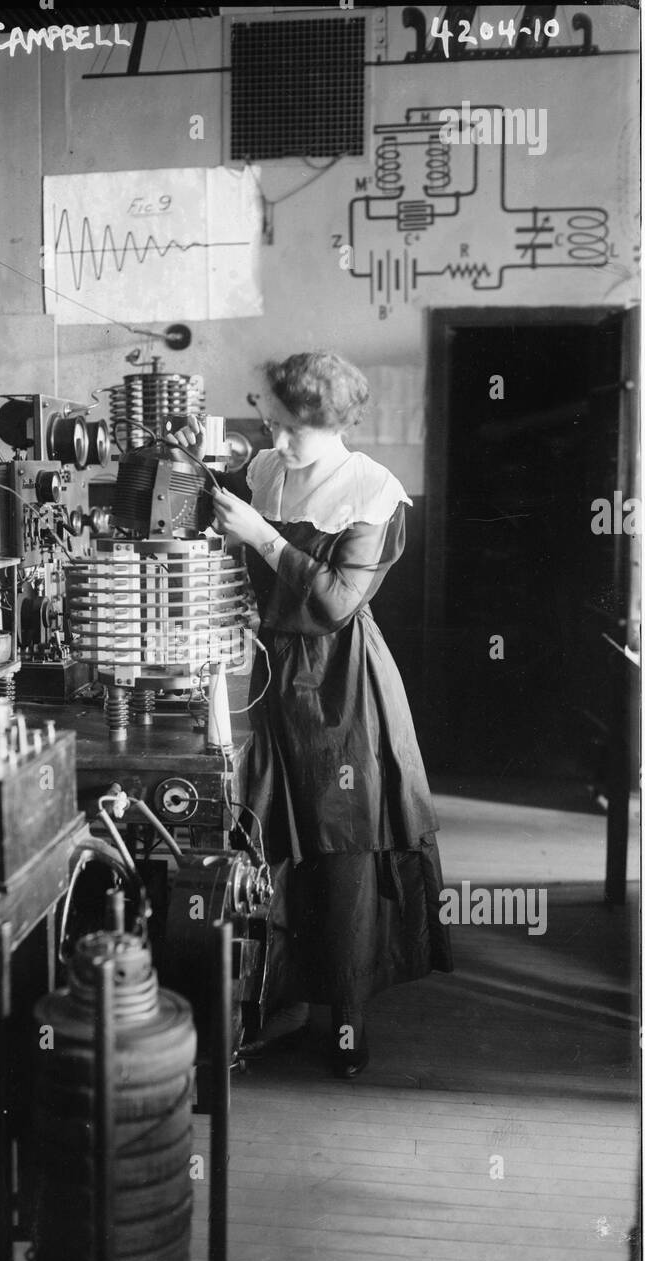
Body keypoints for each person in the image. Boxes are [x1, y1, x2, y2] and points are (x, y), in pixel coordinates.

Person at [166, 351, 453, 1078]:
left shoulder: (371, 490)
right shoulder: (264, 469)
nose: (278, 441)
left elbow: (331, 603)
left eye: (291, 429)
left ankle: (349, 1023)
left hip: (336, 686)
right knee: (265, 835)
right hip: (259, 673)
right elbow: (211, 505)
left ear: (331, 423)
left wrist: (262, 535)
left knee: (341, 847)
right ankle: (276, 1004)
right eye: (272, 424)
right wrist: (188, 463)